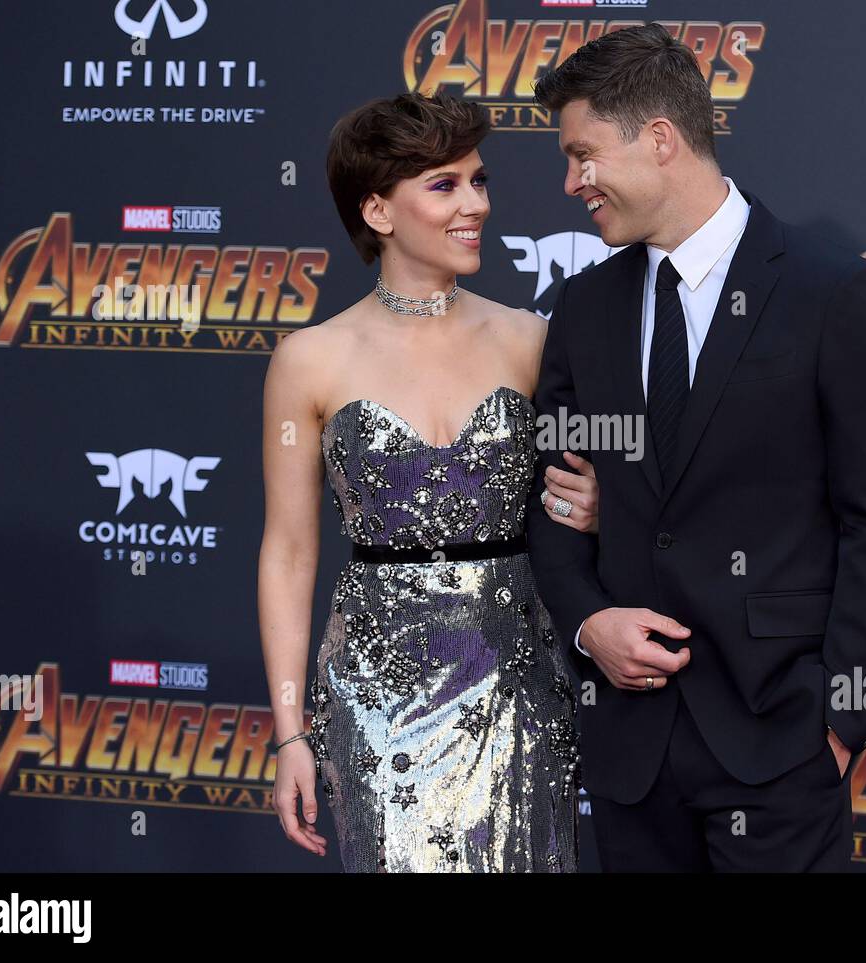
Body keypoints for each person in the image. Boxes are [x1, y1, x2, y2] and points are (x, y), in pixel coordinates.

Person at [525, 23, 866, 872]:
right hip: (633, 754)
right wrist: (589, 620)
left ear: (661, 140)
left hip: (780, 743)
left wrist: (840, 725)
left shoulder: (828, 289)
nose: (571, 182)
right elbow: (555, 495)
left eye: (583, 155)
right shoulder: (586, 308)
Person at [257, 92, 599, 872]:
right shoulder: (311, 359)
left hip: (521, 684)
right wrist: (290, 733)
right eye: (444, 186)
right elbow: (287, 553)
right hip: (380, 700)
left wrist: (597, 507)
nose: (475, 204)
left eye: (478, 181)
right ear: (377, 210)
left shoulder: (531, 338)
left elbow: (587, 495)